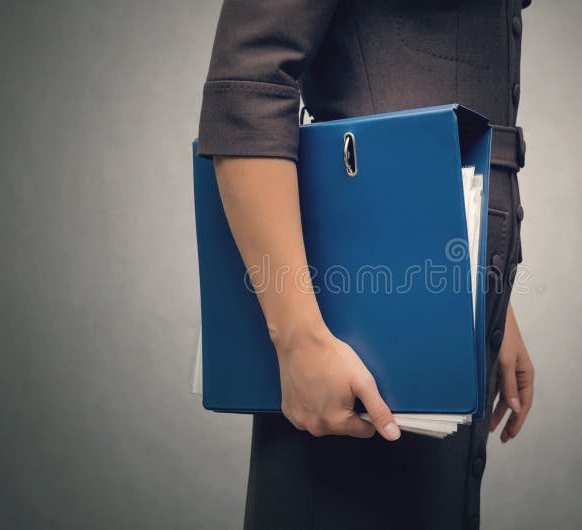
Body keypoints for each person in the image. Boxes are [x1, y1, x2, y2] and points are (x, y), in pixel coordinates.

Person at [197, 1, 535, 528]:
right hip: (351, 344)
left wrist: (486, 299)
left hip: (452, 310)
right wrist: (299, 339)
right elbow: (248, 90)